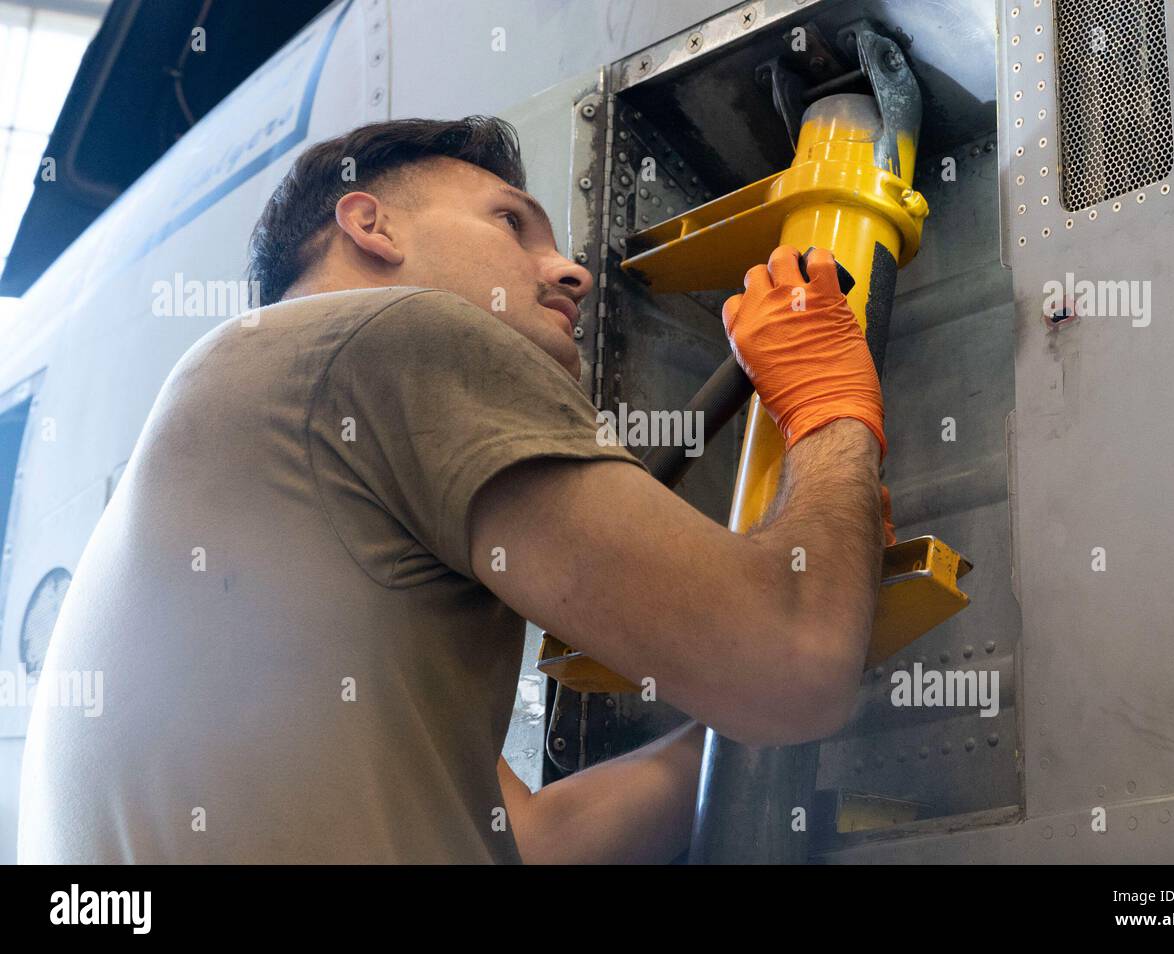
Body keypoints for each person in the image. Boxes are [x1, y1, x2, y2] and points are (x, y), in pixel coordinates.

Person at [18, 116, 886, 864]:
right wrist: (830, 412)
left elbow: (532, 842)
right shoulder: (390, 333)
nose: (572, 273)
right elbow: (790, 664)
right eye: (513, 224)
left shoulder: (240, 430)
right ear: (370, 226)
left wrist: (736, 707)